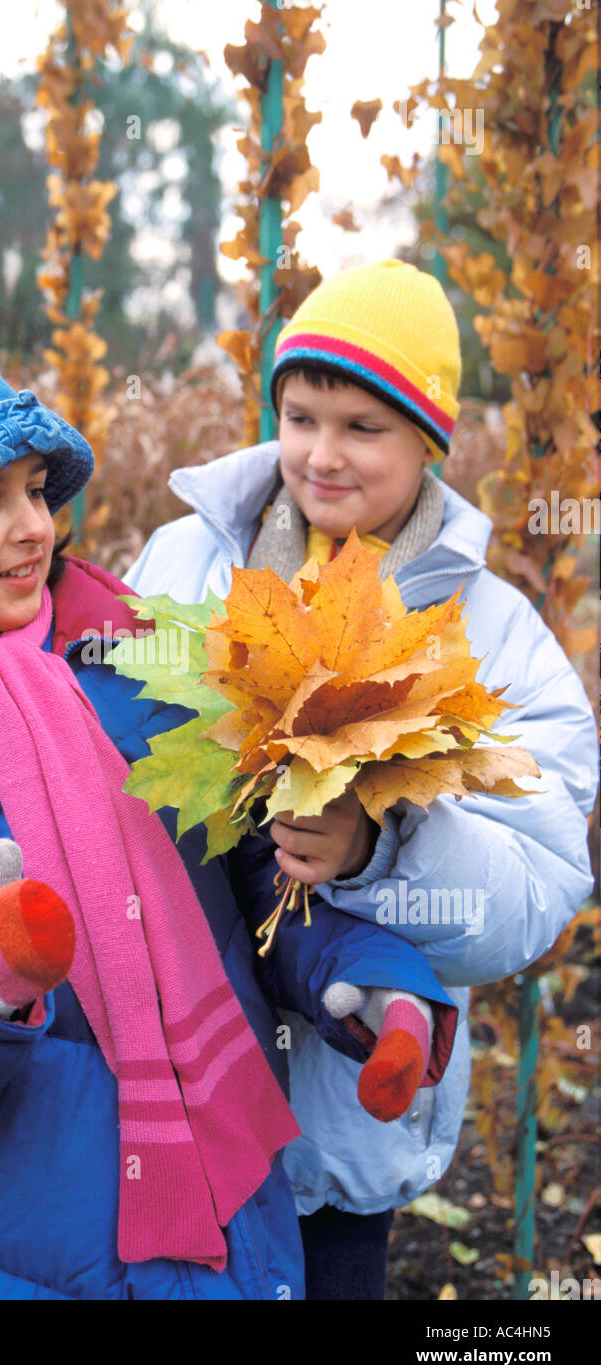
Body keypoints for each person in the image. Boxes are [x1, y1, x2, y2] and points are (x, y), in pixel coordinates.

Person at [0, 342, 460, 1301]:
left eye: (33, 490)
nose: (31, 529)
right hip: (20, 1258)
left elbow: (250, 878)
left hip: (227, 1231)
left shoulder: (141, 662)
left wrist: (371, 986)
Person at [124, 259, 598, 1300]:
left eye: (361, 428)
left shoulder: (491, 634)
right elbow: (115, 758)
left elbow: (537, 886)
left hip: (343, 1121)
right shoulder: (181, 565)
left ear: (429, 442)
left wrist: (381, 849)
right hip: (173, 1099)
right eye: (299, 416)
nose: (320, 454)